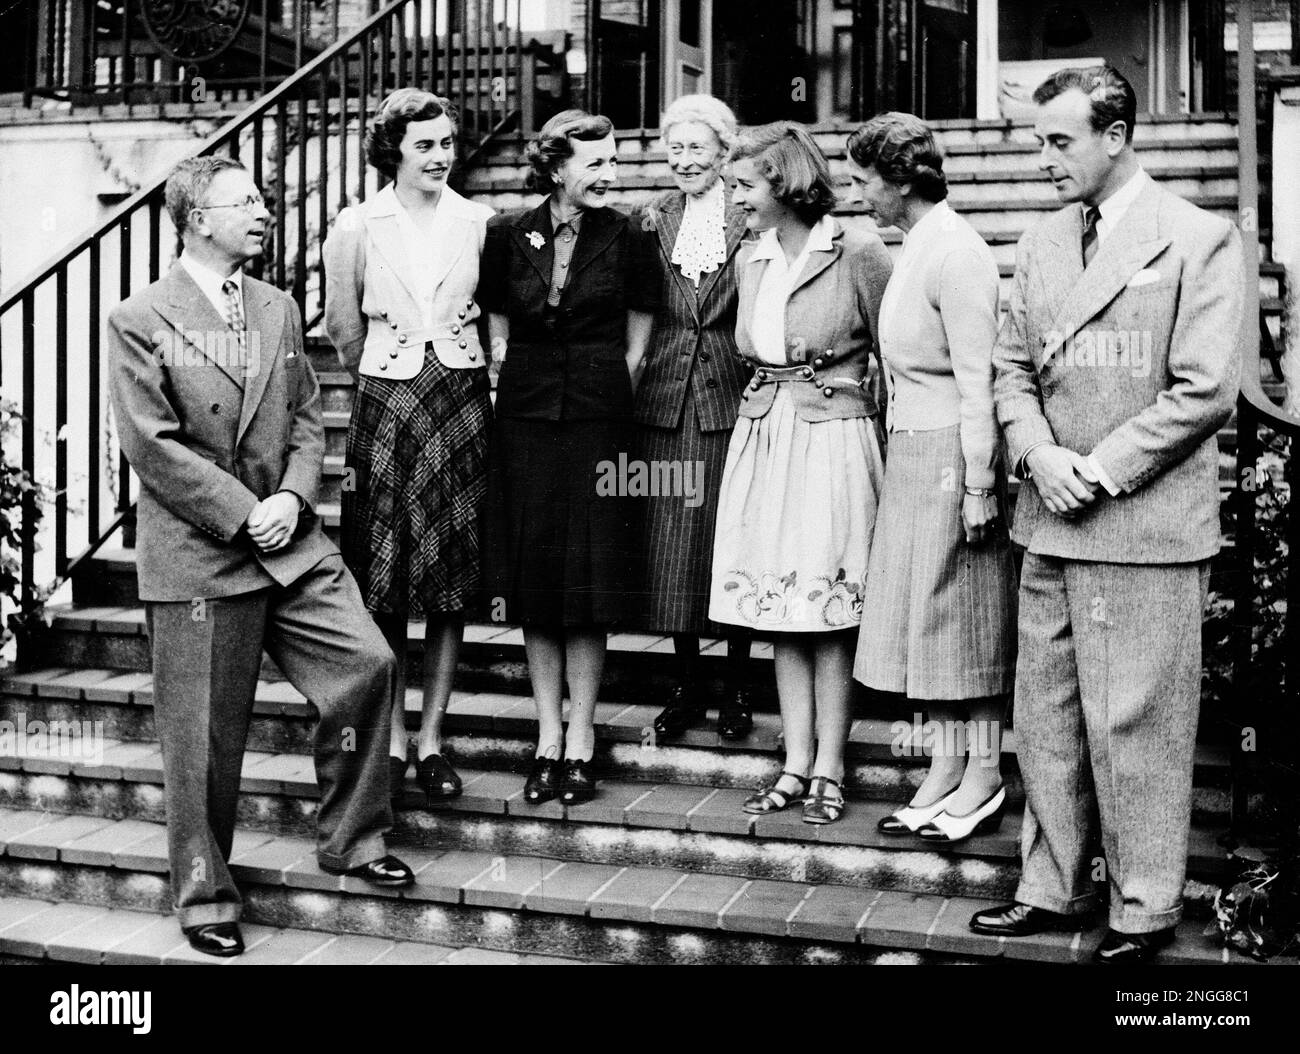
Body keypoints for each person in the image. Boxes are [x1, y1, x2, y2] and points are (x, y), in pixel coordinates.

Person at [107, 156, 414, 958]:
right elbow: (153, 446)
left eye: (262, 197)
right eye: (243, 201)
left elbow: (310, 417)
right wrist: (248, 514)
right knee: (203, 735)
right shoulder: (139, 317)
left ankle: (353, 836)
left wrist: (292, 498)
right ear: (197, 218)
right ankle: (206, 894)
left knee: (368, 665)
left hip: (290, 543)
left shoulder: (276, 306)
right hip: (203, 553)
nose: (263, 210)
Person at [970, 66, 1244, 963]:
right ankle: (1051, 888)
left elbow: (1205, 390)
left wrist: (1096, 469)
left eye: (1061, 141)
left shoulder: (1198, 238)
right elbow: (1010, 368)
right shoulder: (1042, 237)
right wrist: (1036, 453)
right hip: (1048, 517)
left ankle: (1141, 909)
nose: (1044, 160)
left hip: (1143, 522)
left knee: (1137, 727)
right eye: (1037, 142)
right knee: (1045, 717)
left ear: (1118, 135)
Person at [708, 122, 892, 824]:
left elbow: (893, 351)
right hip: (766, 437)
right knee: (782, 608)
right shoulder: (750, 257)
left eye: (744, 186)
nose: (735, 200)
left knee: (830, 605)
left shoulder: (858, 250)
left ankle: (831, 766)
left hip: (834, 438)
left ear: (784, 183)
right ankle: (793, 764)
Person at [478, 110, 659, 806]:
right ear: (555, 167)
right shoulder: (506, 231)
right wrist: (503, 367)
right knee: (535, 584)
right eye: (594, 163)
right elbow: (496, 308)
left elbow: (641, 329)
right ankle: (544, 735)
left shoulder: (630, 233)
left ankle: (581, 737)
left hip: (595, 419)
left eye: (614, 161)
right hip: (524, 417)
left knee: (587, 581)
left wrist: (614, 380)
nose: (608, 175)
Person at [845, 113, 1017, 843]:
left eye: (864, 181)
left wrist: (981, 484)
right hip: (915, 450)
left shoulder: (958, 252)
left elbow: (982, 382)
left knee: (966, 619)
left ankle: (983, 775)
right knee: (933, 623)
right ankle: (945, 769)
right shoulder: (915, 246)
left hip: (954, 452)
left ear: (904, 181)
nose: (858, 196)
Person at [323, 88, 494, 807]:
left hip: (458, 398)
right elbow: (341, 325)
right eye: (425, 144)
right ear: (393, 148)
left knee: (450, 576)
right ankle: (390, 736)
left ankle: (432, 737)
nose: (440, 156)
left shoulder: (479, 221)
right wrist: (391, 369)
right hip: (387, 400)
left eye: (448, 142)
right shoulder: (357, 225)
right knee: (385, 573)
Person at [633, 94, 755, 742]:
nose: (684, 160)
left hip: (731, 399)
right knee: (671, 553)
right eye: (674, 148)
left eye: (696, 148)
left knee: (726, 542)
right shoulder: (650, 217)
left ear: (724, 152)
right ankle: (686, 684)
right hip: (664, 402)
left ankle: (737, 684)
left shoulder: (750, 216)